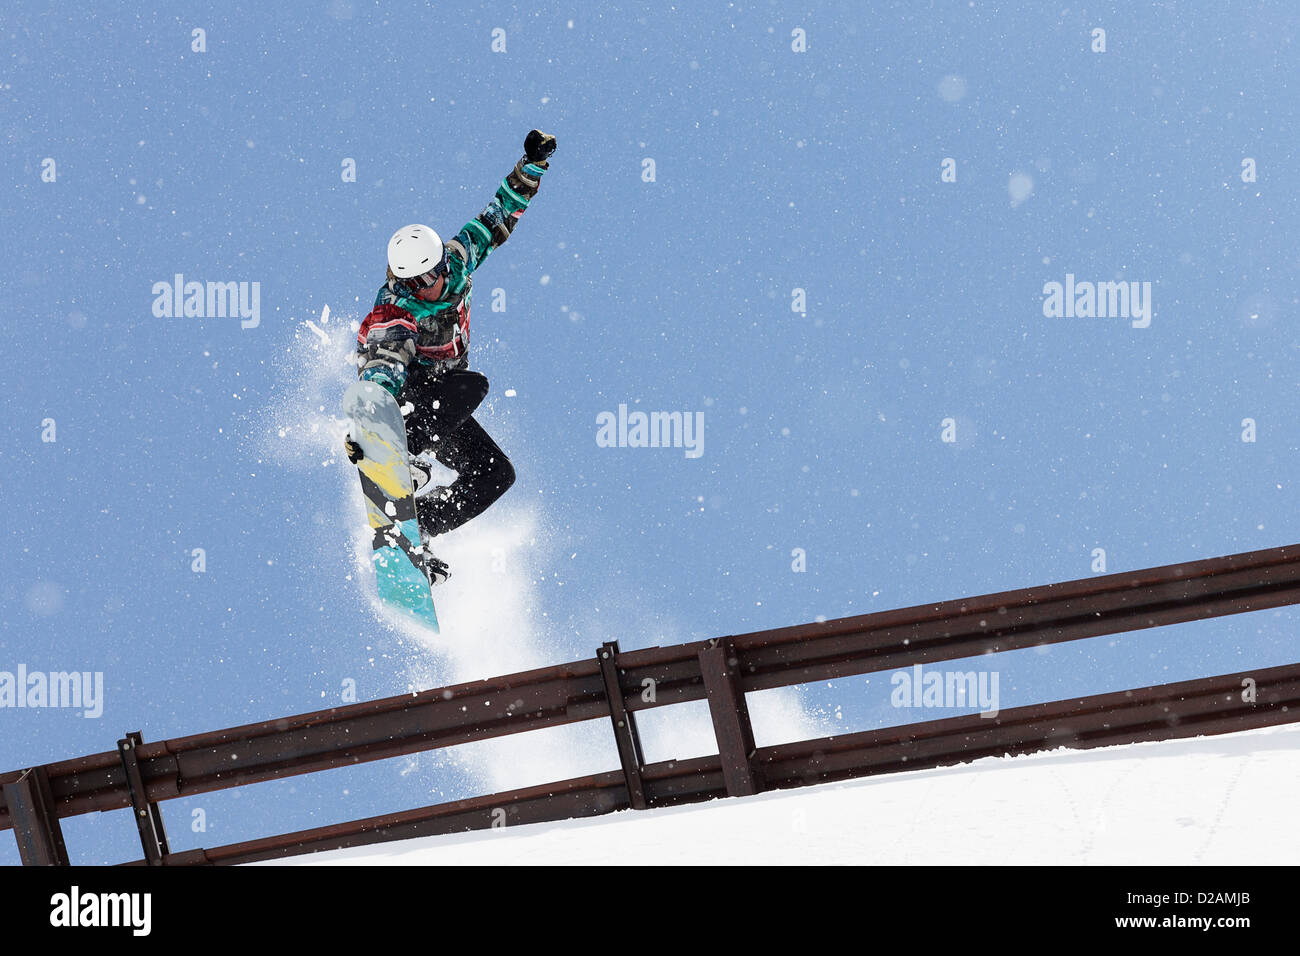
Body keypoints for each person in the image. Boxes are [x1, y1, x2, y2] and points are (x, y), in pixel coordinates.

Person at [346, 129, 557, 584]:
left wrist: (532, 163)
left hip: (440, 411)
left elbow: (498, 215)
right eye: (424, 280)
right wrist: (377, 427)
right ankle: (408, 453)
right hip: (413, 401)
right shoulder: (396, 308)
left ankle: (418, 528)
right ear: (408, 282)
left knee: (495, 474)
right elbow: (385, 361)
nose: (436, 283)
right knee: (473, 384)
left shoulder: (459, 261)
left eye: (438, 269)